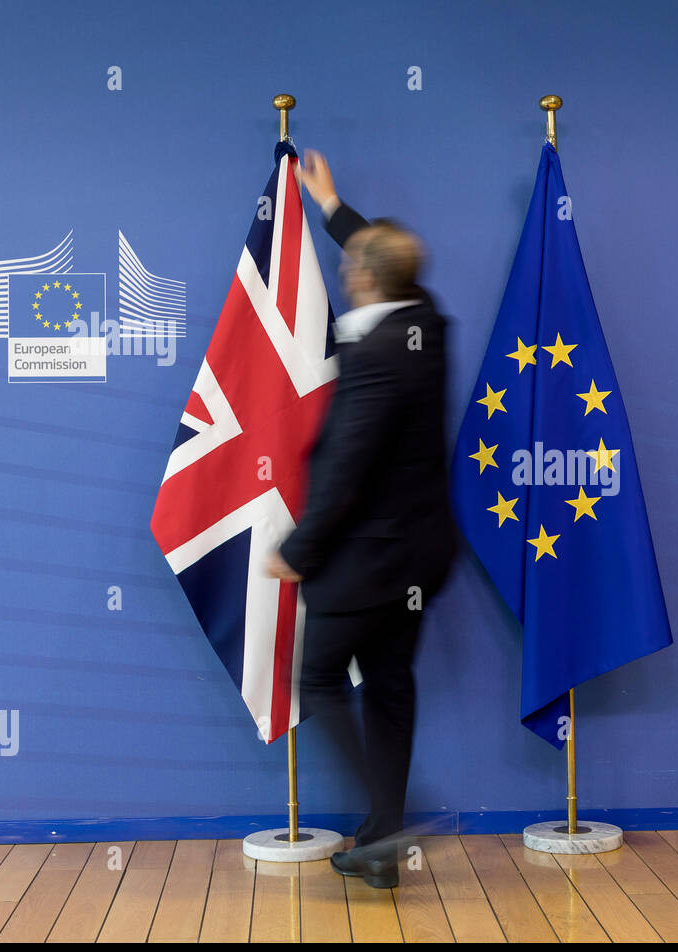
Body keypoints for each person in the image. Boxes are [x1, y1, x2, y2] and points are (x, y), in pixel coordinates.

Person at [265, 148, 457, 888]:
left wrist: (300, 548)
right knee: (388, 686)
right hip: (417, 561)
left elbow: (346, 467)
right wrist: (334, 207)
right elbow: (386, 263)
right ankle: (381, 844)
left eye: (352, 264)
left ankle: (389, 818)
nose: (344, 272)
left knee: (316, 677)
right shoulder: (425, 322)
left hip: (368, 558)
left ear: (365, 278)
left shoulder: (378, 355)